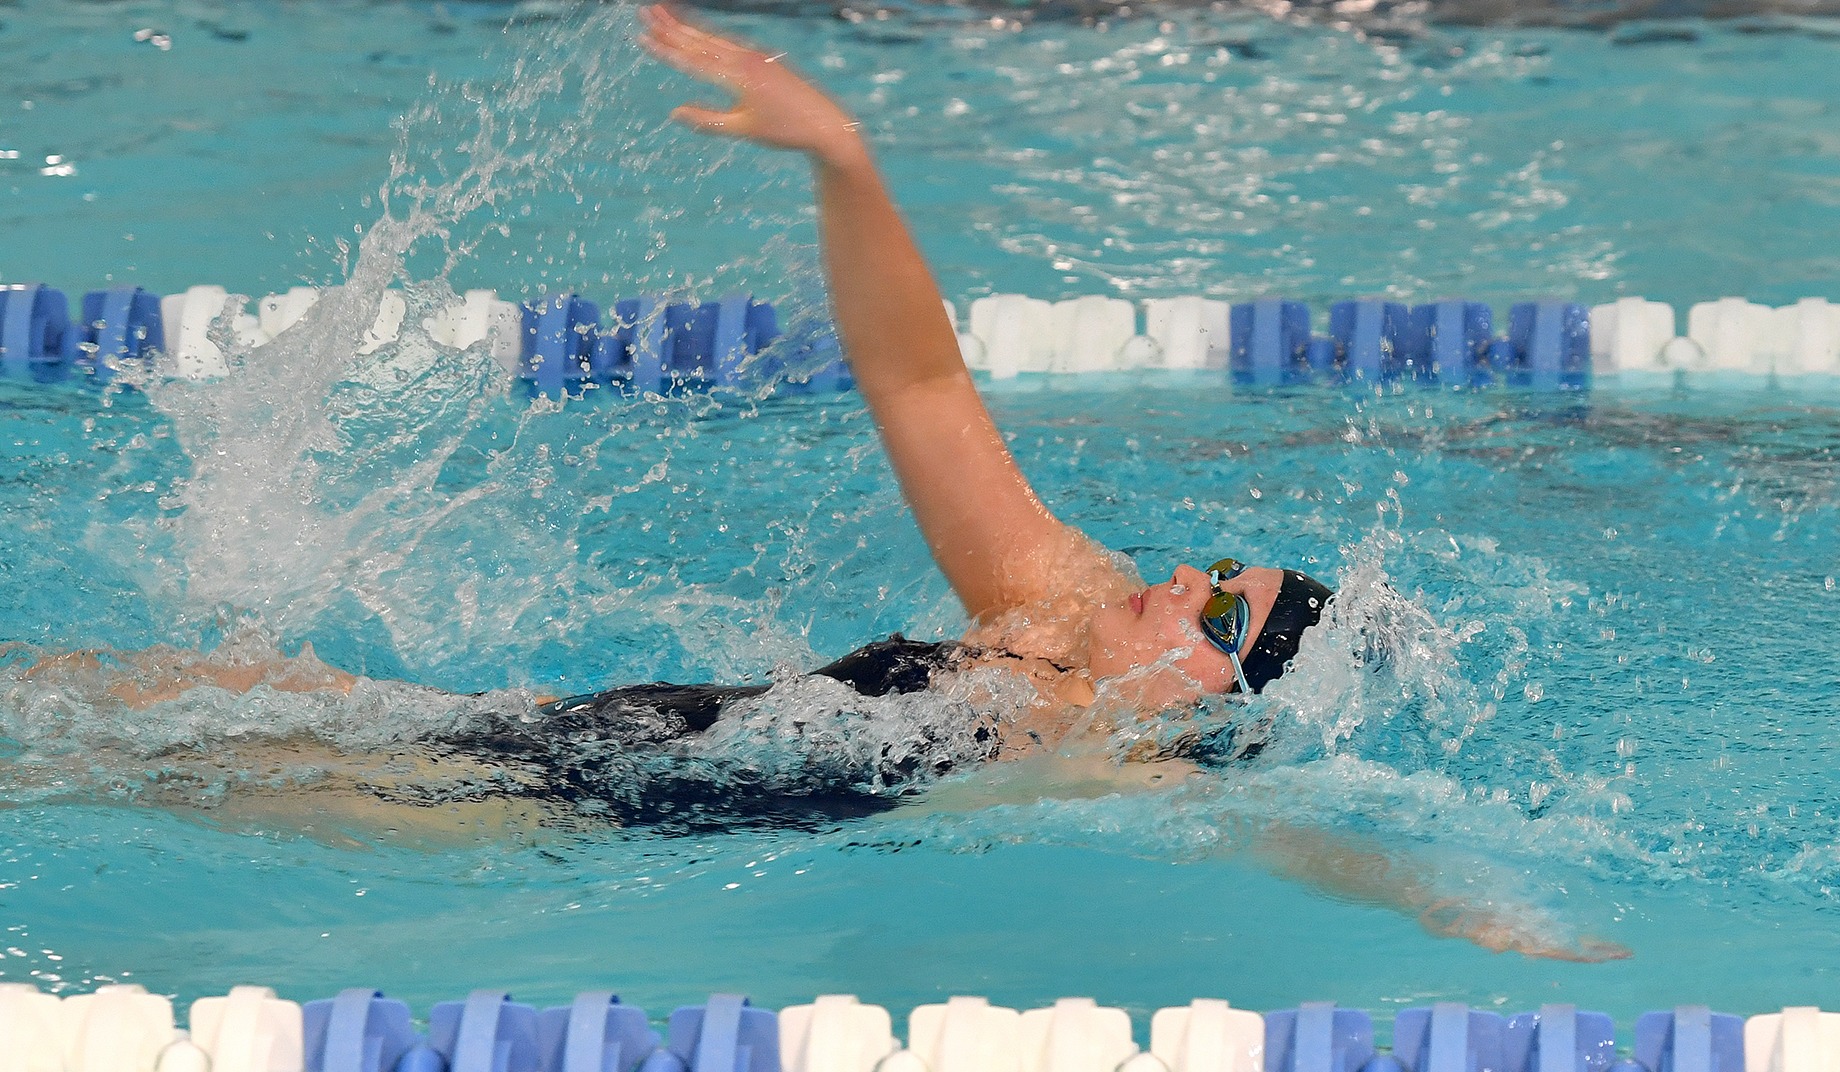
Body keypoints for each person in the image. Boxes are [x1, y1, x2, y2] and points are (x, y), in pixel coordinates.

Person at [4, 6, 1627, 961]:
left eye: (1219, 616)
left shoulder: (1126, 771)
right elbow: (918, 383)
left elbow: (1315, 854)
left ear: (1220, 707)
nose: (1184, 580)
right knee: (107, 698)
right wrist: (843, 155)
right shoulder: (1049, 605)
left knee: (134, 773)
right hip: (601, 725)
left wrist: (1475, 922)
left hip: (554, 821)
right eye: (1221, 567)